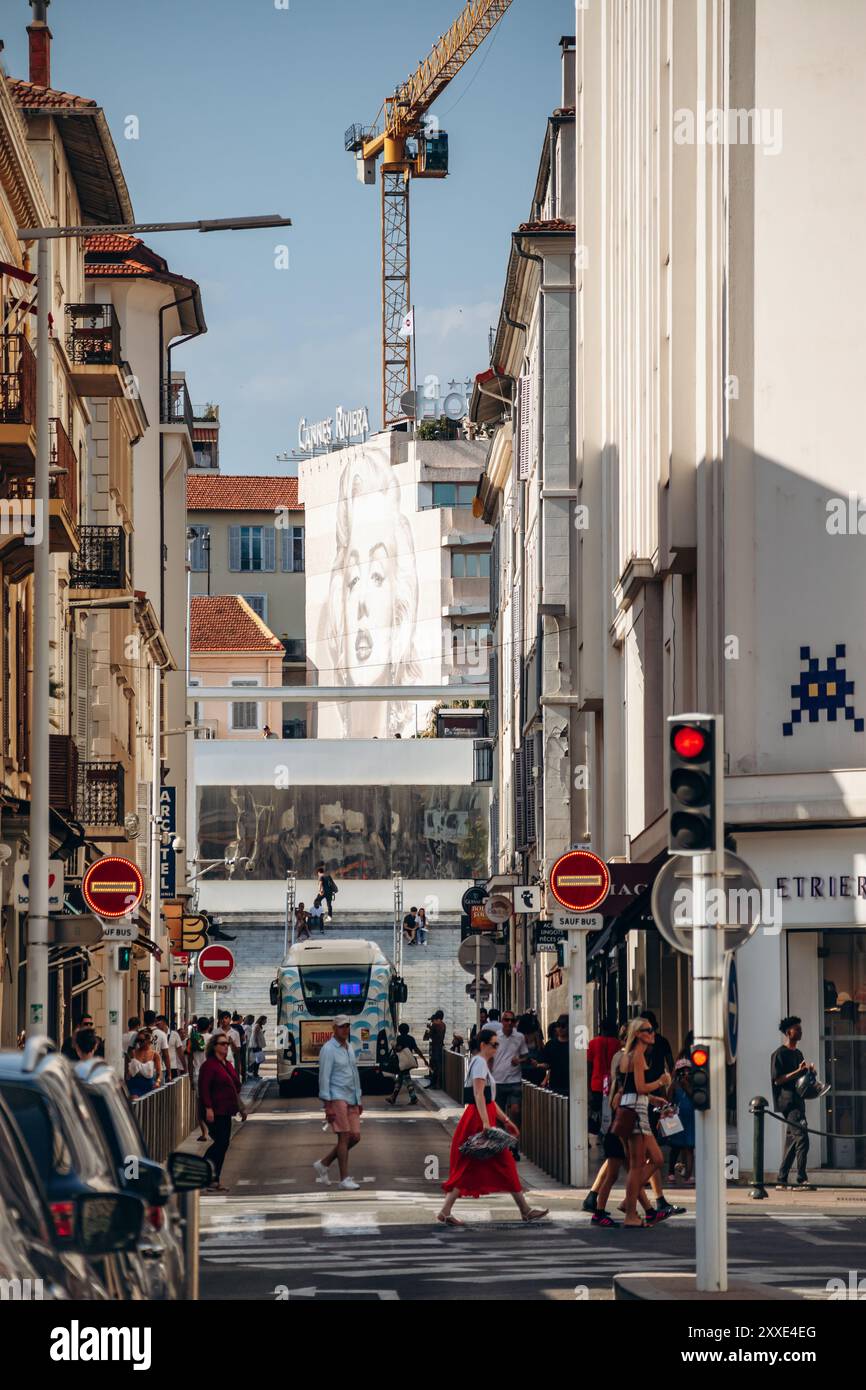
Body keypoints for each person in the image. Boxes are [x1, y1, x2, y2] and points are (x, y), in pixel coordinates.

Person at [437, 1030, 548, 1226]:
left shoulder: (480, 1063)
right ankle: (525, 1210)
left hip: (480, 1116)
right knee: (497, 1163)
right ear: (483, 1045)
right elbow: (479, 1095)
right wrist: (487, 1124)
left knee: (473, 1166)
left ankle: (446, 1210)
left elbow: (487, 1099)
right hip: (479, 1119)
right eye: (494, 1045)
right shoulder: (479, 1063)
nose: (497, 1048)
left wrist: (505, 1120)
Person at [618, 1016, 673, 1227]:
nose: (652, 1034)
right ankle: (631, 1212)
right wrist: (661, 1081)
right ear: (639, 1034)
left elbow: (632, 1087)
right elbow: (640, 1087)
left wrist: (652, 1098)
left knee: (656, 1158)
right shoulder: (638, 1056)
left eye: (652, 1030)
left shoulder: (629, 1055)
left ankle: (629, 1201)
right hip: (636, 1110)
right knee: (637, 1164)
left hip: (634, 1105)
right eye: (648, 1030)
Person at [314, 1016, 363, 1190]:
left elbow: (354, 1074)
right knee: (343, 1136)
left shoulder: (349, 1047)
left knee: (355, 1136)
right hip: (336, 1096)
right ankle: (344, 1179)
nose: (345, 1030)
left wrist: (359, 1099)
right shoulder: (328, 1049)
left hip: (351, 1097)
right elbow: (324, 1077)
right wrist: (327, 1105)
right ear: (334, 1028)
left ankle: (324, 1163)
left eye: (347, 1026)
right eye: (341, 1027)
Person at [772, 1015, 817, 1190]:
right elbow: (778, 1080)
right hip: (788, 1102)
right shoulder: (779, 1054)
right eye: (797, 1029)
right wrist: (797, 1071)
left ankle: (782, 1179)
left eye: (800, 1029)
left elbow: (803, 1078)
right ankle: (801, 1179)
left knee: (792, 1141)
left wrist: (810, 1073)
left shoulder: (798, 1053)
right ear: (788, 1032)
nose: (800, 1031)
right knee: (803, 1138)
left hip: (799, 1100)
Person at [198, 1032, 247, 1192]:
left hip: (226, 1110)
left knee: (223, 1144)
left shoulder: (227, 1064)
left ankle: (214, 1179)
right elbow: (204, 1088)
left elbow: (235, 1086)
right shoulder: (209, 1065)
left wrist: (240, 1107)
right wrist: (208, 1108)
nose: (226, 1046)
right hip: (214, 1110)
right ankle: (203, 1172)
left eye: (227, 1043)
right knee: (220, 1143)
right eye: (222, 1043)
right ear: (214, 1046)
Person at [490, 1011, 528, 1144]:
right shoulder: (496, 1037)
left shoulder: (520, 1037)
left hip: (514, 1080)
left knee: (515, 1111)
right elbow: (489, 1056)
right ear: (502, 1021)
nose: (509, 1023)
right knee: (499, 1117)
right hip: (498, 1080)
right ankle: (501, 1144)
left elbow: (525, 1055)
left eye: (512, 1020)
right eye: (507, 1020)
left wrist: (519, 1060)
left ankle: (514, 1143)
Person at [587, 1017, 620, 1138]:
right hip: (613, 1084)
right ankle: (610, 1133)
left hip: (596, 1083)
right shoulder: (617, 1044)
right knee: (612, 1110)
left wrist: (588, 1087)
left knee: (598, 1110)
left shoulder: (592, 1043)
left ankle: (600, 1132)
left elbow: (589, 1066)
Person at [387, 1022, 425, 1106]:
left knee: (407, 1080)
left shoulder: (399, 1038)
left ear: (399, 1030)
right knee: (399, 1079)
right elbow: (416, 1049)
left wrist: (394, 1047)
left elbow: (399, 1048)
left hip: (402, 1062)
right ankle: (393, 1097)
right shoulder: (411, 1038)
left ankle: (413, 1097)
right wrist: (424, 1059)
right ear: (408, 1030)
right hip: (408, 1061)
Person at [187, 1015, 211, 1140]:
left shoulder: (192, 1040)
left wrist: (191, 1078)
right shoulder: (213, 1040)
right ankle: (213, 1128)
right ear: (209, 1026)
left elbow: (190, 1060)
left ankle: (204, 1132)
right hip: (212, 1075)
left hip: (198, 1075)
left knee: (200, 1104)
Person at [540, 1015, 570, 1095]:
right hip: (555, 1086)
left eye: (563, 1026)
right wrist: (538, 1065)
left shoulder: (575, 1046)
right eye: (558, 1025)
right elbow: (547, 1064)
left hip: (571, 1086)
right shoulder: (550, 1045)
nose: (560, 1028)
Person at [126, 1030, 162, 1097]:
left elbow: (159, 1072)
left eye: (141, 1040)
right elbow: (128, 1070)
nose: (139, 1042)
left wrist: (158, 1082)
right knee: (135, 1100)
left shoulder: (155, 1054)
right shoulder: (133, 1052)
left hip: (149, 1085)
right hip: (134, 1084)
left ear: (148, 1040)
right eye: (138, 1040)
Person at [157, 1014, 185, 1080]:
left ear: (164, 1022)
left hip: (172, 1067)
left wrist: (184, 1067)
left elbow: (180, 1052)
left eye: (158, 1023)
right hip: (160, 1067)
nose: (156, 1025)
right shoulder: (156, 1035)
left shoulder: (174, 1034)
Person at [424, 1010, 447, 1089]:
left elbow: (428, 1036)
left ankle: (434, 1083)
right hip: (440, 1046)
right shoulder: (443, 1025)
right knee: (439, 1066)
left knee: (434, 1066)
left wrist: (429, 1028)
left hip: (435, 1046)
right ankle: (438, 1083)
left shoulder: (434, 1025)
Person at [232, 1013, 248, 1082]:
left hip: (230, 1048)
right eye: (241, 1019)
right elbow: (243, 1038)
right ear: (238, 1019)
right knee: (240, 1063)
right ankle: (241, 1079)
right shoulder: (239, 1027)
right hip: (239, 1047)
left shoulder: (229, 1026)